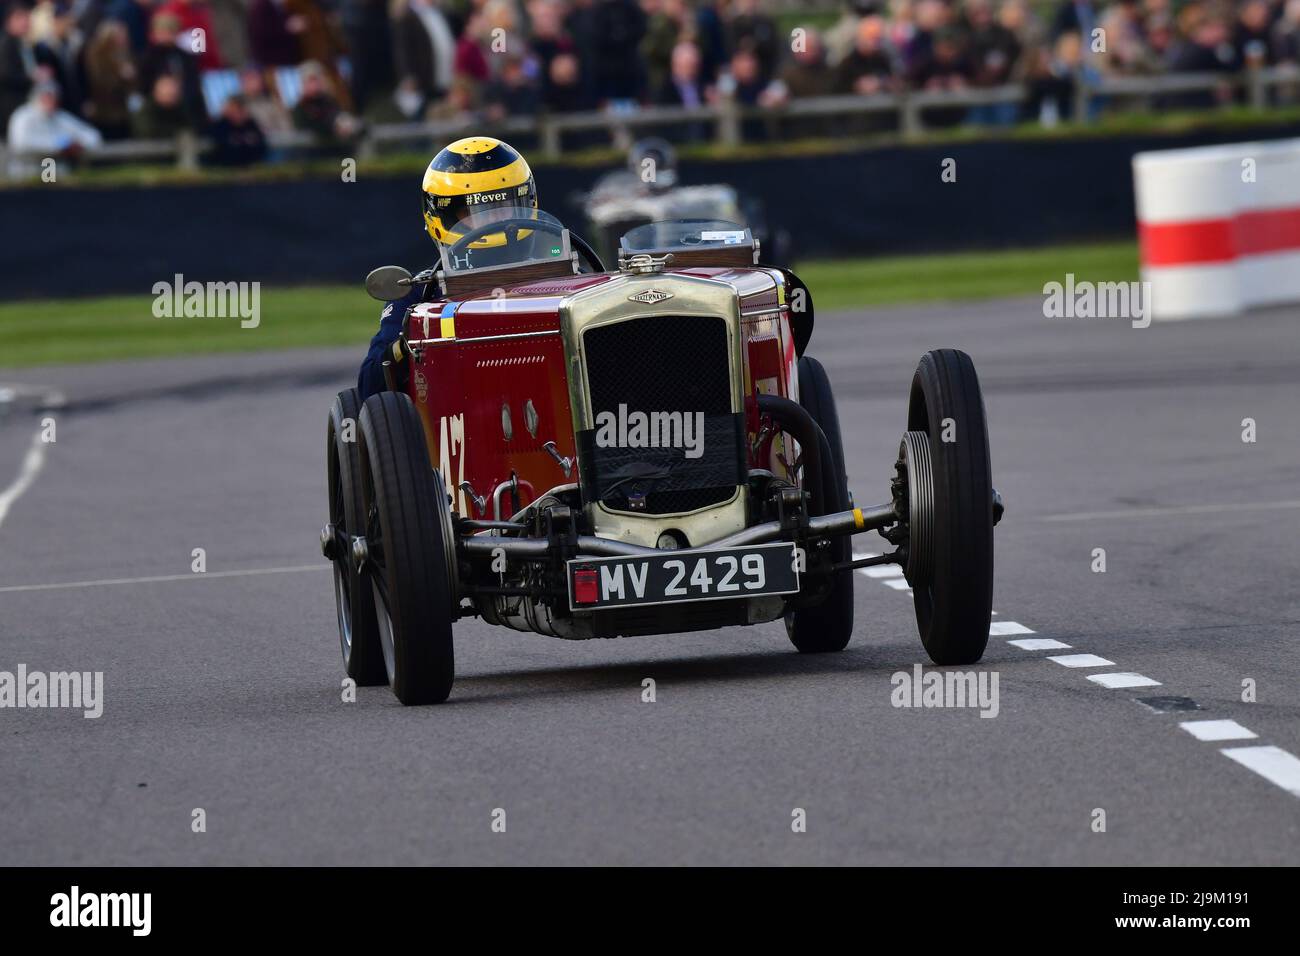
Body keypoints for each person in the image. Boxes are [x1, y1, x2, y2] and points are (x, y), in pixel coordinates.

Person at [358, 136, 541, 401]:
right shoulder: (420, 295)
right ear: (442, 216)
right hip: (462, 414)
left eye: (503, 207)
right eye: (478, 211)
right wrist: (408, 343)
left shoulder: (566, 276)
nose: (495, 220)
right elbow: (369, 387)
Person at [6, 79, 101, 176]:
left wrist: (78, 144)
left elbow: (93, 136)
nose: (50, 101)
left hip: (56, 176)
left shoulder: (61, 117)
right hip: (26, 176)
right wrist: (60, 146)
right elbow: (22, 143)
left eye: (53, 98)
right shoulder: (22, 116)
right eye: (46, 97)